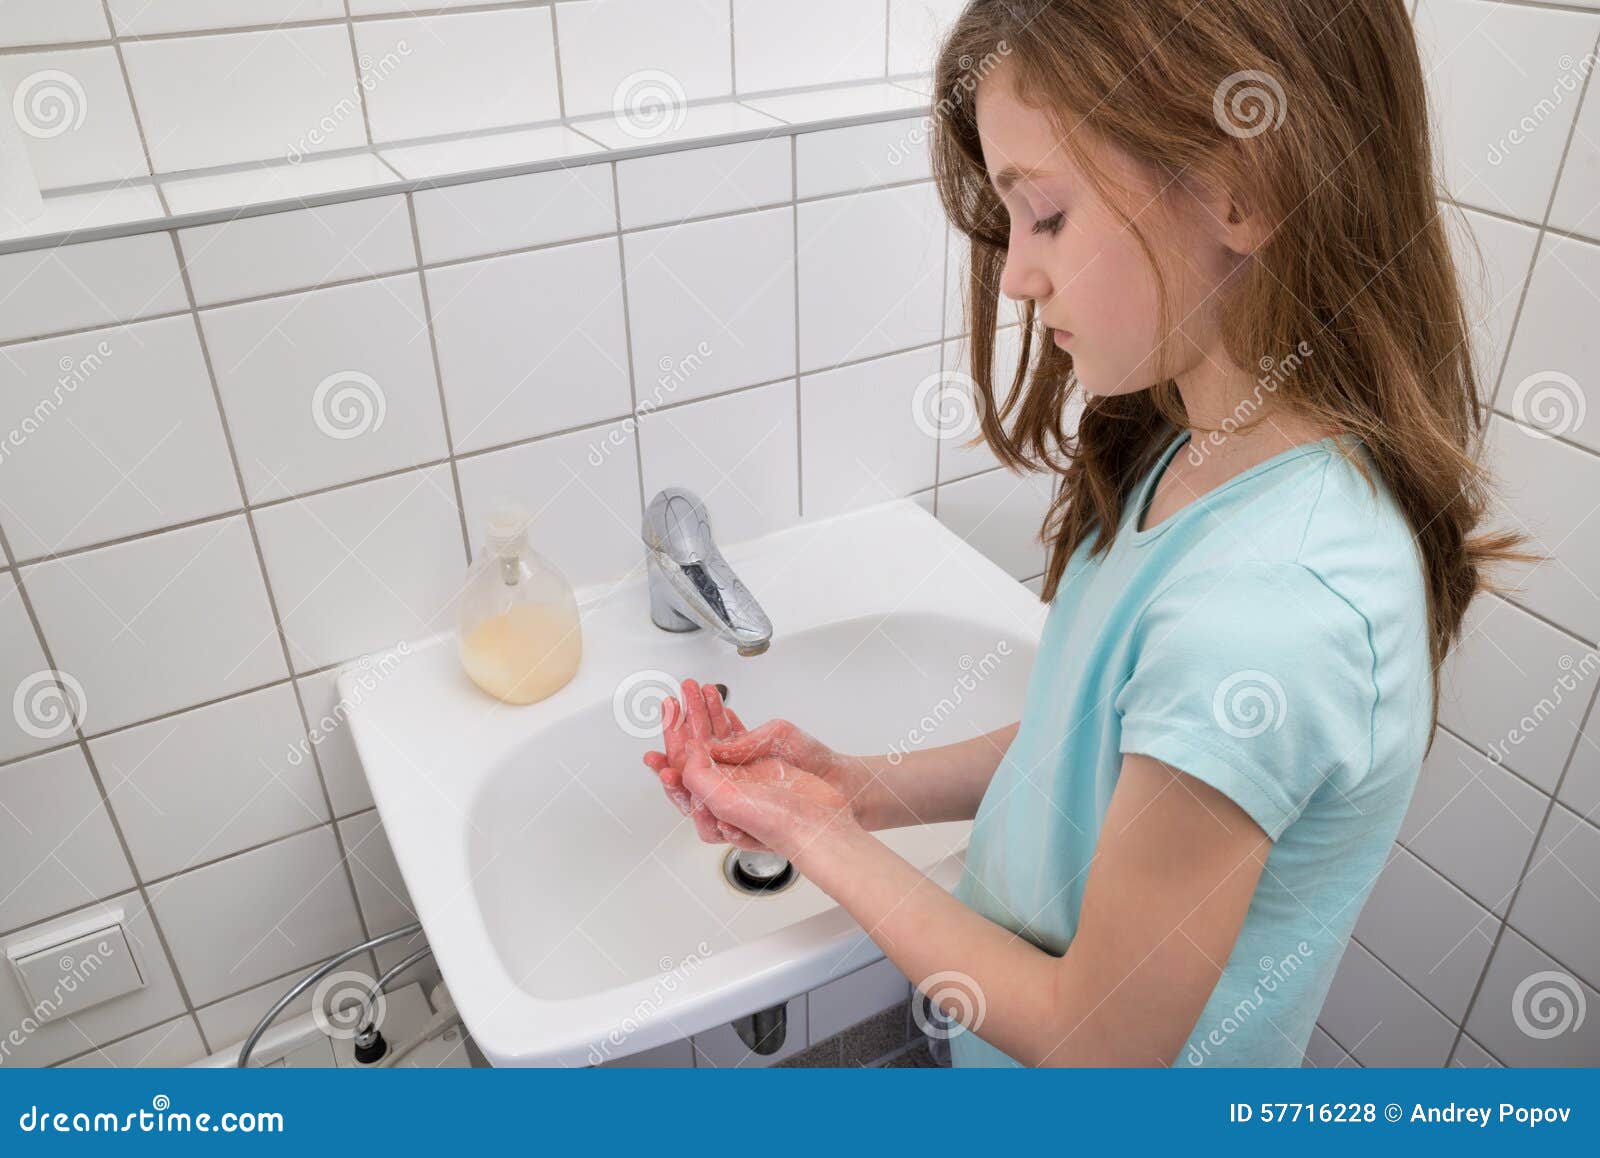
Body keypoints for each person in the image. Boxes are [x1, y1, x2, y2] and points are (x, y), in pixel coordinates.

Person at [643, 0, 1522, 1067]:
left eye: (1045, 215)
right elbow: (1096, 749)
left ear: (1241, 189)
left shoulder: (1274, 607)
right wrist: (856, 789)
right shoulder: (1196, 450)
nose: (1015, 273)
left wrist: (812, 837)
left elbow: (1099, 1046)